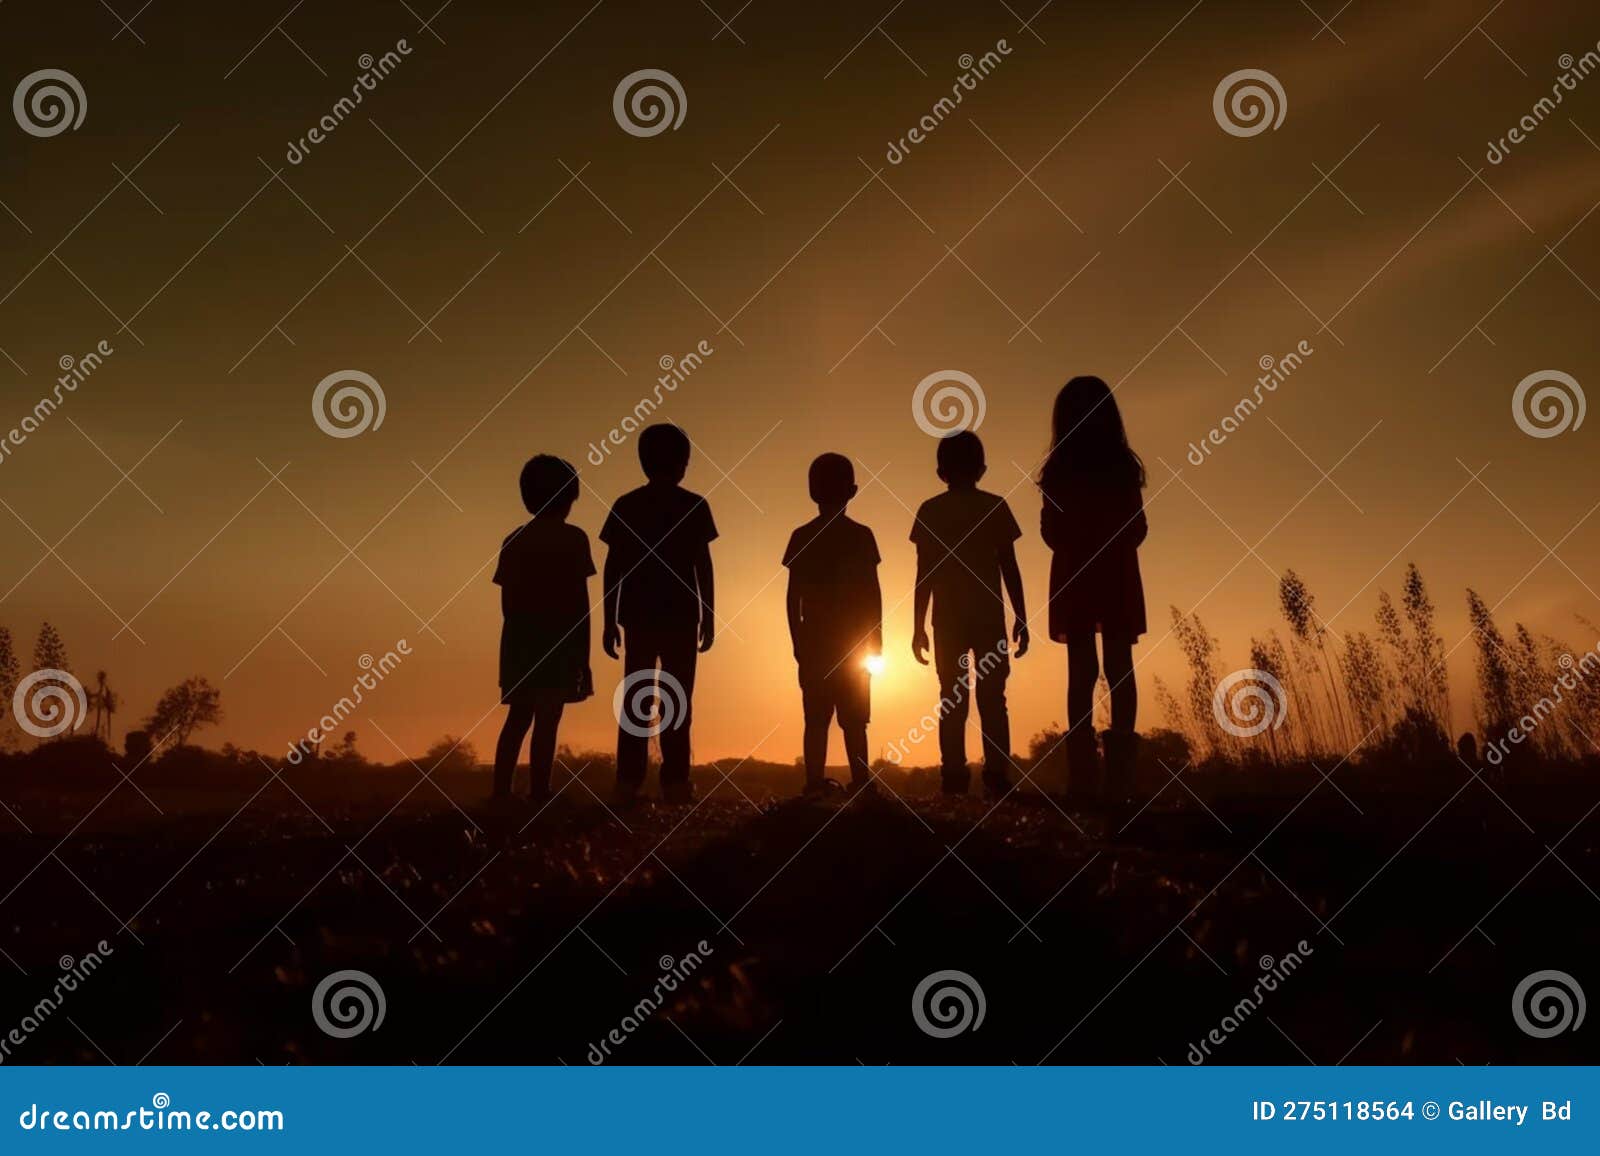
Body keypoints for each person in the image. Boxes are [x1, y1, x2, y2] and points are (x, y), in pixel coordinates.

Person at [1037, 376, 1148, 807]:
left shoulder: (1058, 472)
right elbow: (1138, 527)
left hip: (1075, 575)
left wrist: (1075, 546)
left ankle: (1083, 778)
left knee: (1080, 671)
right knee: (1120, 665)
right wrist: (1113, 546)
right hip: (1117, 574)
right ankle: (1120, 778)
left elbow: (1050, 531)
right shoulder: (1122, 469)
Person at [600, 424, 717, 804]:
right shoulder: (694, 506)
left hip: (637, 616)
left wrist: (608, 620)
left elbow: (612, 568)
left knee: (637, 698)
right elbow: (704, 566)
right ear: (683, 463)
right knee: (678, 700)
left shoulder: (627, 505)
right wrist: (709, 615)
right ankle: (675, 781)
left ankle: (629, 781)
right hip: (681, 617)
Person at [910, 431, 1028, 799]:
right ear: (982, 468)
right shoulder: (995, 507)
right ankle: (995, 775)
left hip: (947, 620)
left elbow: (923, 574)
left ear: (940, 471)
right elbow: (1010, 566)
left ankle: (954, 777)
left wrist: (917, 626)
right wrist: (1021, 615)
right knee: (993, 698)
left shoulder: (930, 511)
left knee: (952, 698)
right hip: (988, 617)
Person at [492, 455, 594, 801]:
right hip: (561, 643)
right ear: (568, 498)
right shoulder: (575, 540)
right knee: (548, 719)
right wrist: (583, 653)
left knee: (518, 718)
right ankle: (540, 789)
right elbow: (582, 604)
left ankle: (501, 790)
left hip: (520, 643)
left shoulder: (514, 540)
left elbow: (507, 604)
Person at [783, 453, 882, 795]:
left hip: (820, 644)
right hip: (848, 644)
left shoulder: (803, 536)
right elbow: (873, 594)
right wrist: (876, 637)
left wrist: (797, 640)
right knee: (853, 719)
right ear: (853, 490)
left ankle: (816, 782)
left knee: (819, 718)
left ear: (811, 491)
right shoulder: (861, 536)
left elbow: (791, 598)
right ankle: (858, 780)